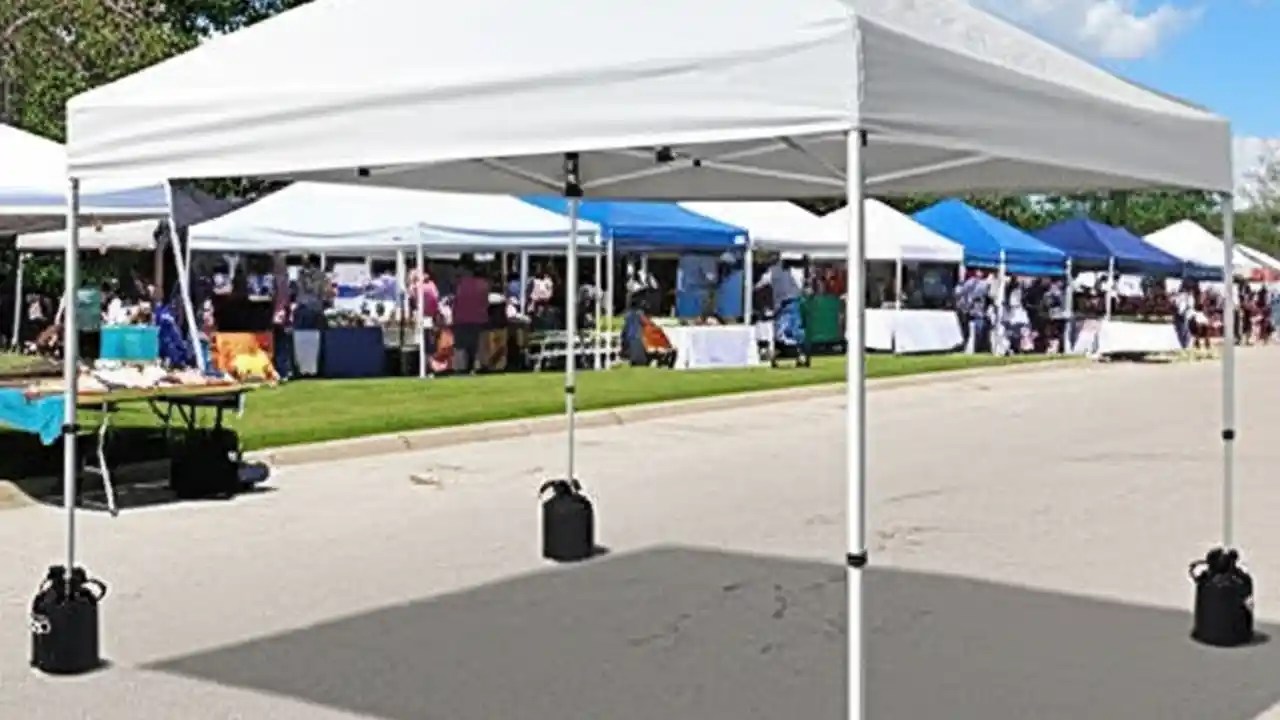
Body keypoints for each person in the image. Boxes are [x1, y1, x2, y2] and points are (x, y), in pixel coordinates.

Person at [452, 260, 490, 373]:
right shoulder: (484, 284)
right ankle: (476, 366)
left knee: (461, 346)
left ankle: (461, 368)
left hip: (461, 318)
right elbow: (485, 302)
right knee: (477, 345)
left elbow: (455, 299)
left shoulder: (459, 283)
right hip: (478, 318)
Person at [294, 254, 329, 330]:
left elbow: (306, 288)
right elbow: (324, 292)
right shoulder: (320, 275)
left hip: (307, 307)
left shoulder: (305, 274)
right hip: (313, 308)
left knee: (302, 331)